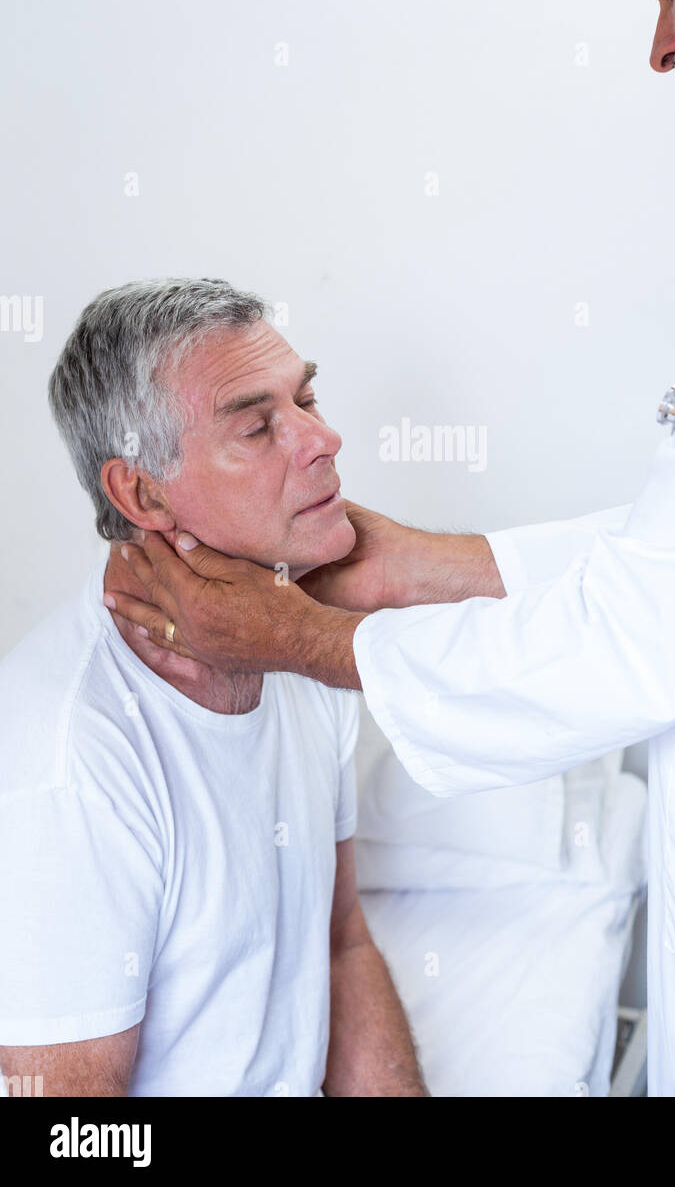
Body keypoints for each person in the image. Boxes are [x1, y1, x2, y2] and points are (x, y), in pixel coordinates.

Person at [106, 0, 675, 1096]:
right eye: (254, 420)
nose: (657, 43)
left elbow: (651, 629)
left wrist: (307, 640)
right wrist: (418, 567)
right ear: (133, 490)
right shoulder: (83, 752)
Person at [0, 278, 426, 1098]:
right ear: (141, 492)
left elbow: (339, 942)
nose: (324, 437)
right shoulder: (65, 759)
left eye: (305, 398)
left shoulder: (305, 649)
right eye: (259, 425)